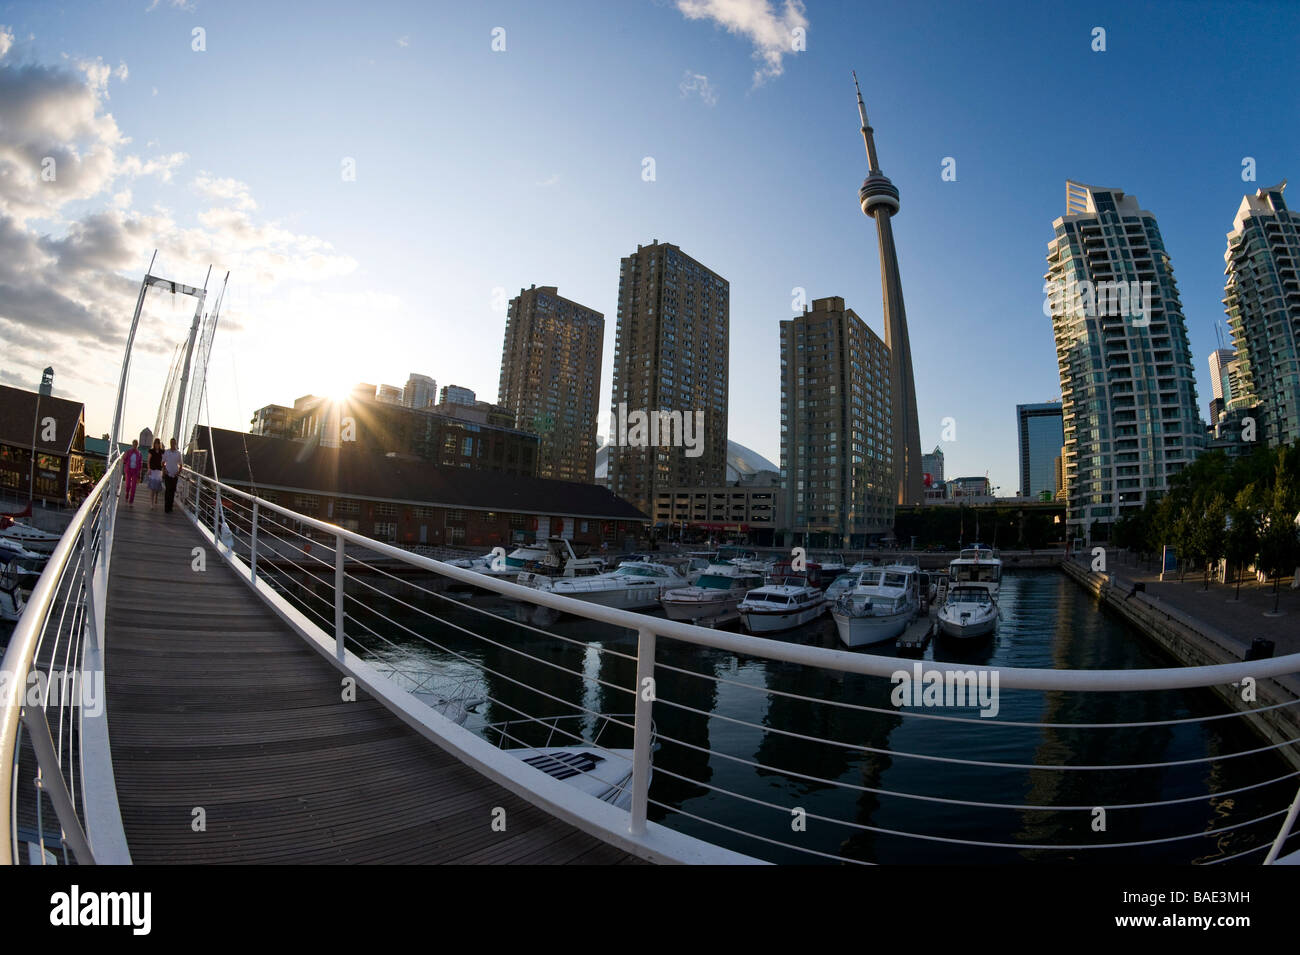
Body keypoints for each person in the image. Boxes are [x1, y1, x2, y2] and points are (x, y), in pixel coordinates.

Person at [161, 438, 183, 514]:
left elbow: (181, 465)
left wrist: (178, 473)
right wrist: (165, 470)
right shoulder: (166, 452)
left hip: (174, 475)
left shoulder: (178, 453)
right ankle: (166, 508)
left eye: (173, 442)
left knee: (172, 491)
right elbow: (163, 462)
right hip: (168, 474)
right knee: (167, 490)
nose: (172, 444)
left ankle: (170, 507)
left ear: (175, 443)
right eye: (171, 442)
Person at [122, 439, 143, 508]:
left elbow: (140, 464)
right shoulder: (129, 452)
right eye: (134, 444)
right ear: (132, 444)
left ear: (137, 445)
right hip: (128, 470)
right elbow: (124, 459)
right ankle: (127, 493)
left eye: (136, 445)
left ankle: (131, 501)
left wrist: (140, 474)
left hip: (135, 471)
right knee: (128, 484)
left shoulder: (139, 454)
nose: (134, 446)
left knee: (133, 486)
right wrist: (124, 459)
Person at [147, 439, 164, 510]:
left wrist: (164, 468)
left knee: (157, 486)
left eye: (158, 443)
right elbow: (148, 460)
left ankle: (156, 496)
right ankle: (151, 504)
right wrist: (148, 468)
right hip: (153, 470)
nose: (156, 445)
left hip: (159, 470)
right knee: (152, 487)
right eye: (155, 443)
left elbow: (164, 461)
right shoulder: (151, 451)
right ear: (154, 444)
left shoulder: (162, 451)